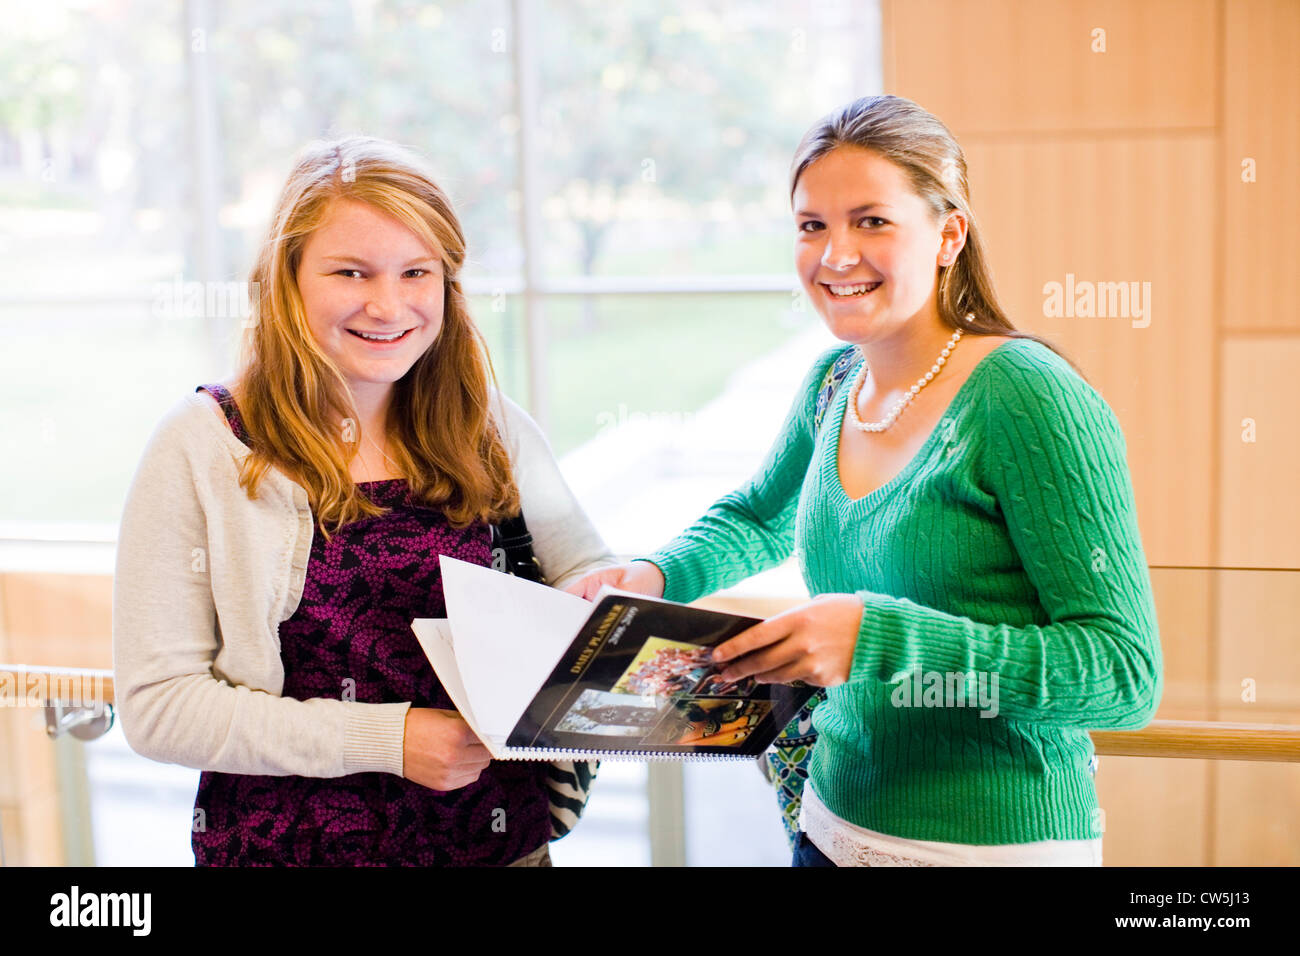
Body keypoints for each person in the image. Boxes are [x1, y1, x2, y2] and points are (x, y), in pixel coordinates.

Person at [568, 95, 1162, 867]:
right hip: (828, 824)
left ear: (949, 234)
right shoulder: (833, 382)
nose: (835, 255)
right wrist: (655, 571)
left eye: (871, 221)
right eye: (812, 225)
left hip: (989, 848)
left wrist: (875, 638)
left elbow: (1122, 674)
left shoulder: (1027, 396)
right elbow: (756, 517)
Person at [112, 136, 614, 866]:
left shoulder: (491, 424)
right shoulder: (203, 445)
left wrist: (595, 599)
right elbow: (159, 707)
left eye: (417, 272)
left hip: (500, 847)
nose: (389, 304)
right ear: (287, 281)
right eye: (352, 272)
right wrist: (389, 740)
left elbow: (586, 567)